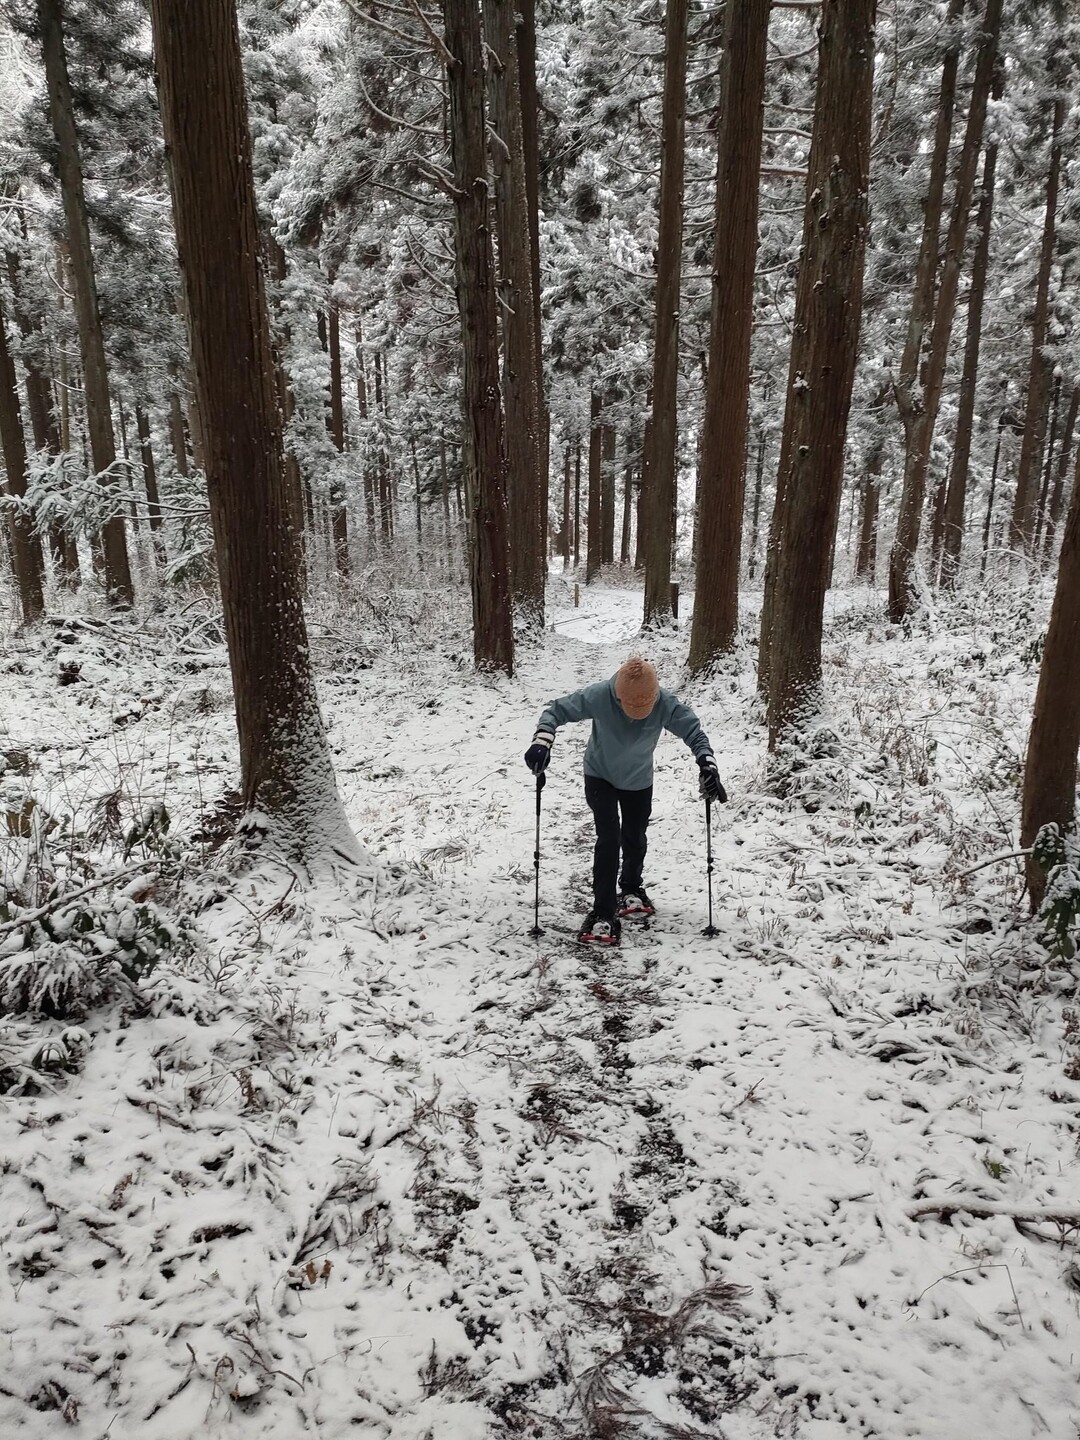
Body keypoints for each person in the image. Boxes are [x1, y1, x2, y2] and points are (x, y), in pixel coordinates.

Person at [524, 657, 726, 945]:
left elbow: (694, 732)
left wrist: (707, 762)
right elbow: (556, 711)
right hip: (599, 775)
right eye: (630, 709)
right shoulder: (599, 696)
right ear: (618, 697)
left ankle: (631, 887)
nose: (636, 717)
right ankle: (603, 912)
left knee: (635, 836)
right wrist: (542, 741)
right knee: (609, 838)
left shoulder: (665, 703)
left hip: (639, 780)